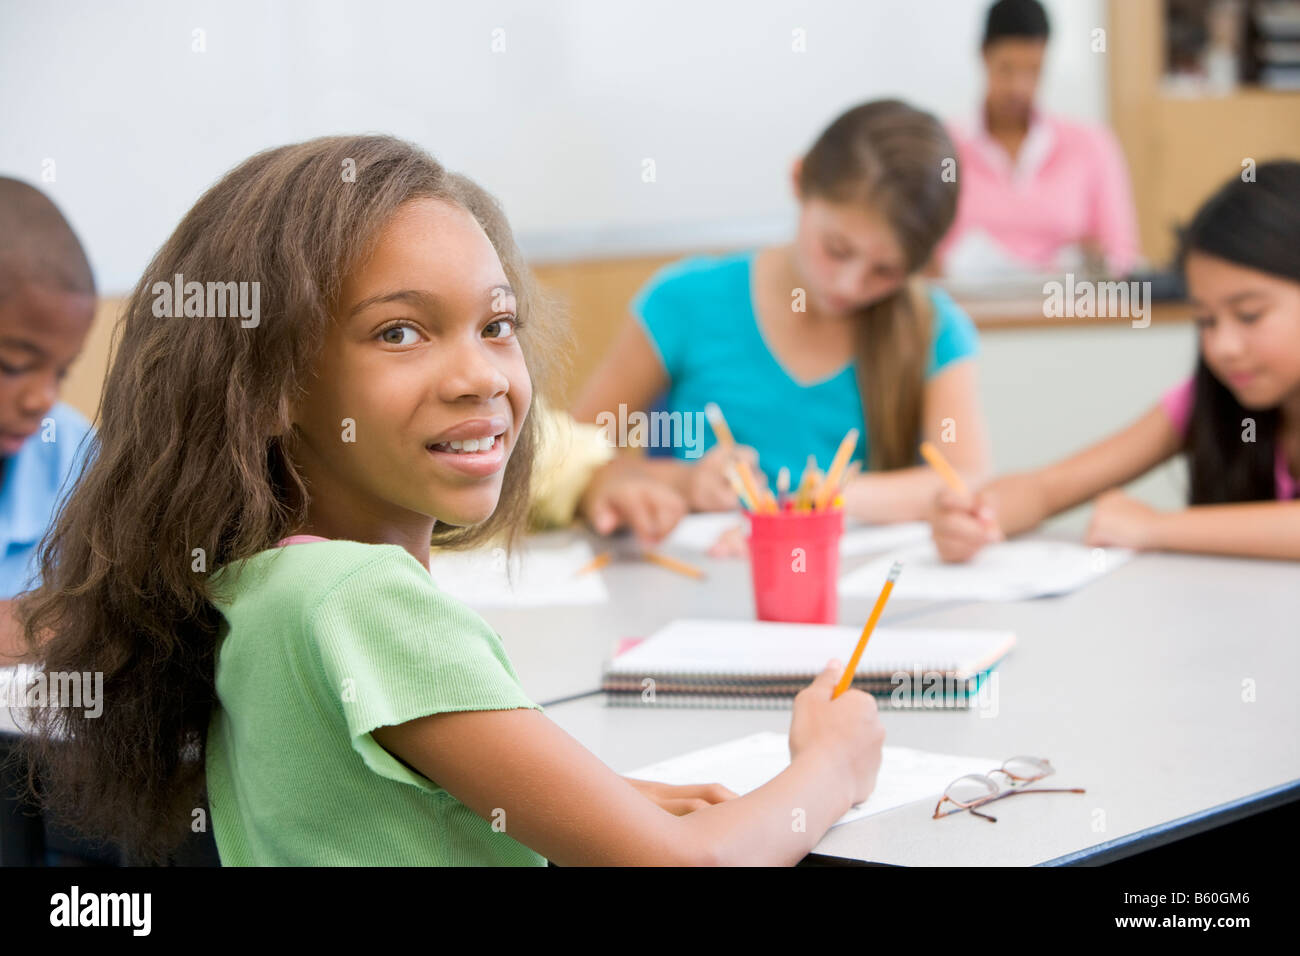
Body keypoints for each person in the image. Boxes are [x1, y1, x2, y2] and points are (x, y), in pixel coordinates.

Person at [16, 135, 885, 865]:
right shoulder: (364, 603)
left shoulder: (256, 585)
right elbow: (687, 866)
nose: (480, 375)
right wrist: (831, 767)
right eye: (400, 332)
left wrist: (601, 799)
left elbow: (364, 811)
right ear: (271, 386)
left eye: (496, 325)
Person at [575, 100, 992, 539]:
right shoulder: (683, 303)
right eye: (837, 249)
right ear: (799, 182)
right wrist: (682, 483)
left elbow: (967, 477)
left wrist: (824, 500)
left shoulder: (934, 329)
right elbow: (570, 458)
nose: (850, 285)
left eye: (885, 271)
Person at [932, 162, 1300, 563]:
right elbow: (1047, 488)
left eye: (1249, 315)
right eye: (1205, 320)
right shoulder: (1208, 401)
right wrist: (978, 516)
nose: (1223, 346)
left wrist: (1154, 527)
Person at [937, 0, 1140, 278]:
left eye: (1033, 70)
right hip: (969, 309)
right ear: (984, 57)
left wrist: (1097, 260)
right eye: (1006, 69)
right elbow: (927, 253)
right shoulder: (944, 148)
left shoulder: (1091, 146)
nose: (1018, 88)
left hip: (1067, 311)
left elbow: (1122, 255)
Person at [0, 178, 96, 663]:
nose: (42, 398)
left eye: (61, 371)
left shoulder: (70, 448)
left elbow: (115, 615)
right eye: (13, 365)